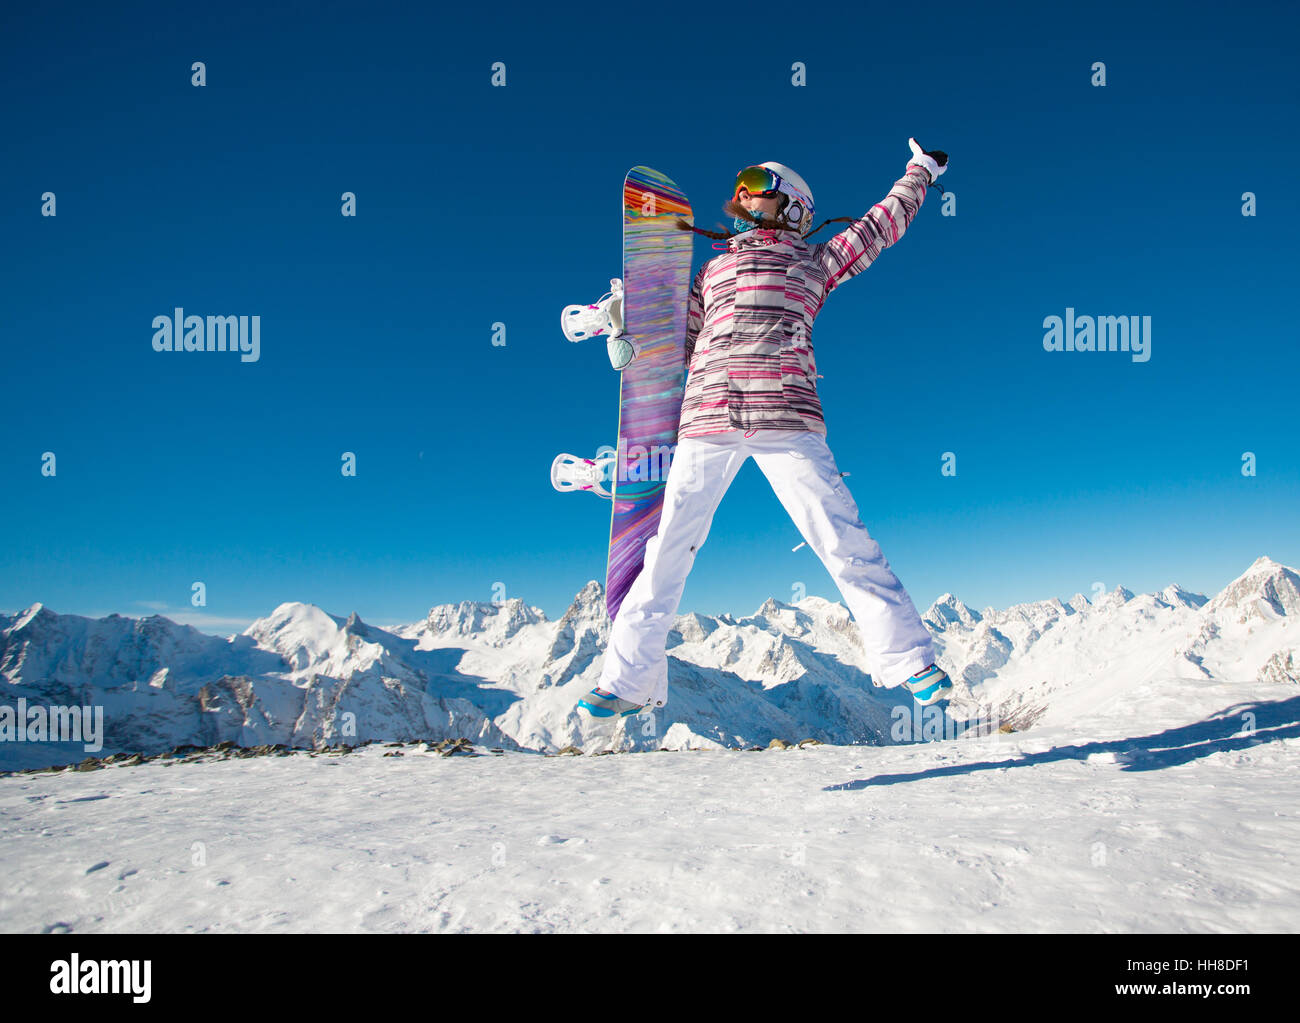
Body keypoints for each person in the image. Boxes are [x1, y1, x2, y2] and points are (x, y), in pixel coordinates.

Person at [579, 140, 953, 720]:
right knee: (668, 549)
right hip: (707, 418)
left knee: (840, 536)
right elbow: (681, 346)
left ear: (794, 206)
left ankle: (909, 660)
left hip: (787, 417)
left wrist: (920, 172)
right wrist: (631, 334)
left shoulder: (817, 263)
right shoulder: (711, 271)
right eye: (741, 184)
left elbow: (879, 227)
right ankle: (628, 680)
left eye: (757, 183)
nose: (743, 192)